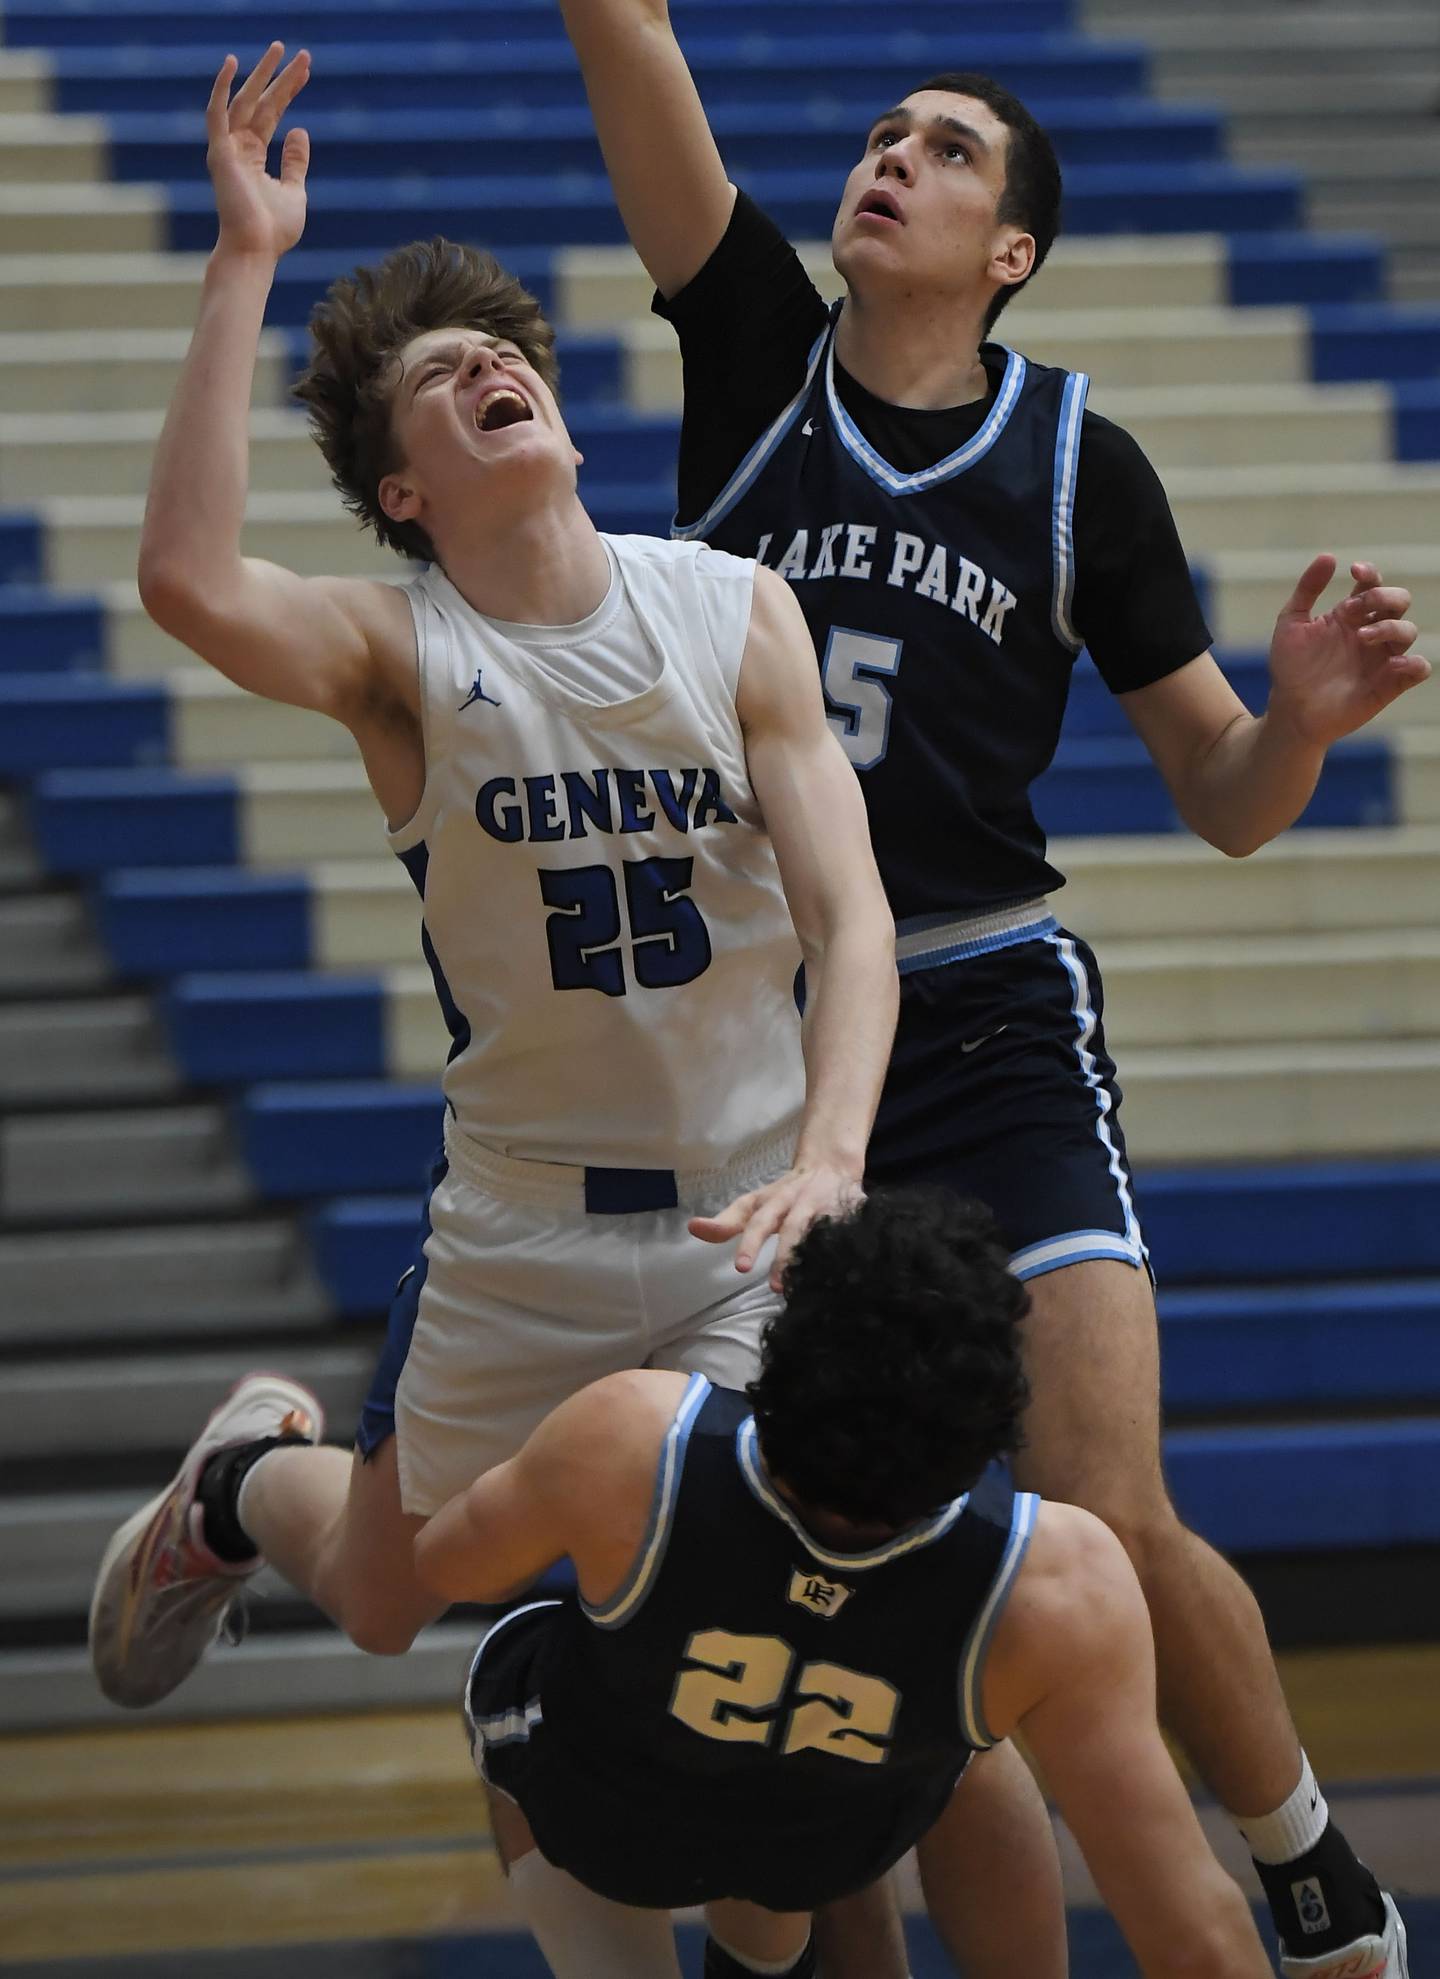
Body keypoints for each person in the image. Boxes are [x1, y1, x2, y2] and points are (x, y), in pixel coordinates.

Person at [550, 15, 1425, 1977]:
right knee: (819, 1546)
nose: (892, 159)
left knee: (1101, 1490)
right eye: (881, 134)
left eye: (946, 151)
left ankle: (1302, 1857)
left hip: (991, 1006)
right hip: (768, 1036)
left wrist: (1295, 722)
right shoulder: (757, 349)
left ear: (1010, 245)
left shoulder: (1076, 465)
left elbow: (1222, 799)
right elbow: (625, 34)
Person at [86, 42, 904, 1760]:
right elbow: (183, 578)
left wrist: (834, 1154)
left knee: (749, 1583)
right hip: (521, 1223)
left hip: (737, 1220)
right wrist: (245, 260)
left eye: (501, 357)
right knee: (388, 1595)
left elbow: (853, 920)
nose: (484, 373)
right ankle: (242, 1481)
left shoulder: (737, 610)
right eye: (441, 383)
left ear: (561, 408)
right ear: (405, 494)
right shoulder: (402, 654)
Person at [415, 1189, 1279, 1979]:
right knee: (969, 1730)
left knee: (519, 1641)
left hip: (609, 1825)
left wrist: (552, 1481)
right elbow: (1192, 1927)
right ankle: (764, 1956)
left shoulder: (633, 1437)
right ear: (993, 1408)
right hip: (829, 1848)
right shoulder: (1062, 1582)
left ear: (783, 1338)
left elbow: (444, 1566)